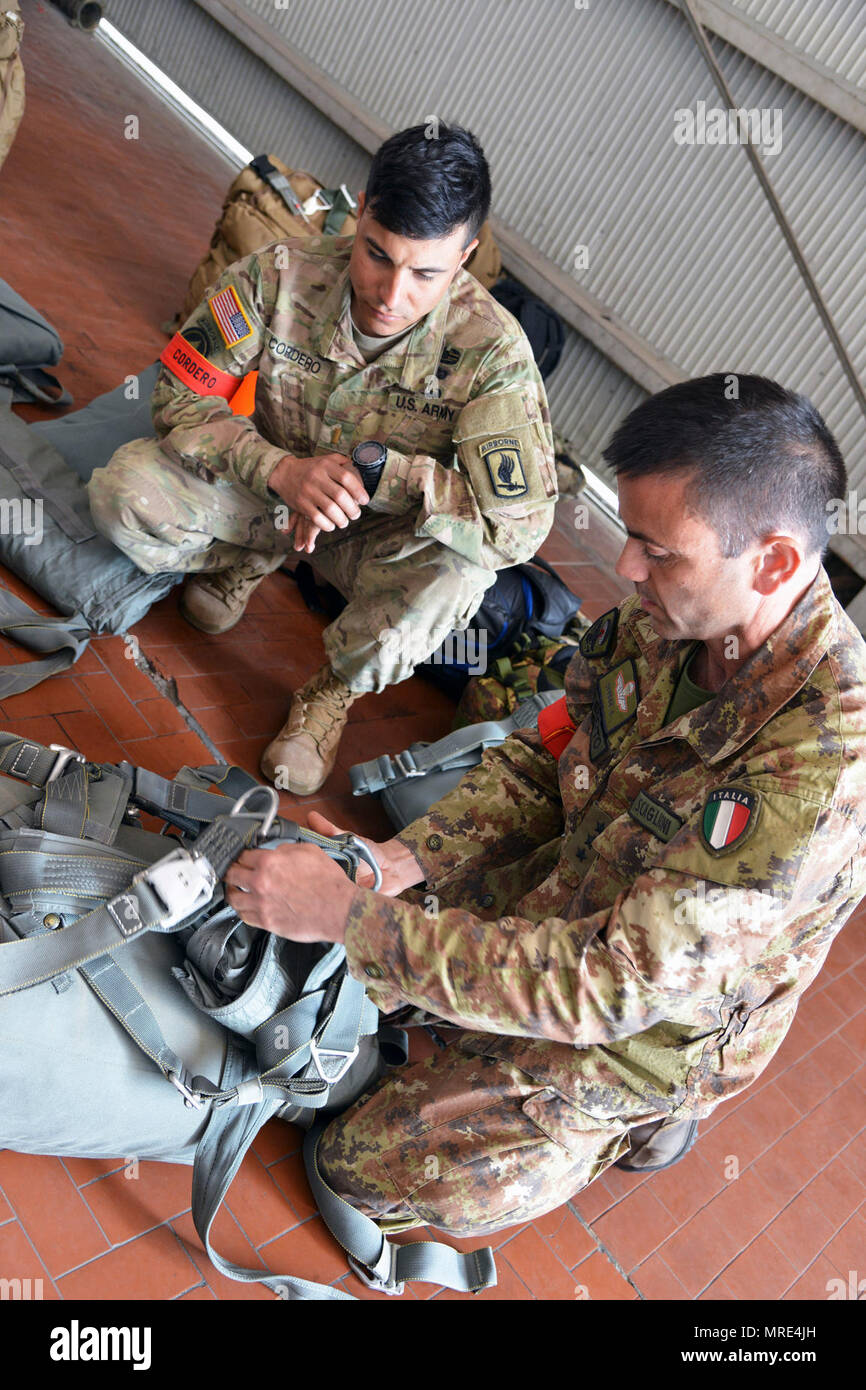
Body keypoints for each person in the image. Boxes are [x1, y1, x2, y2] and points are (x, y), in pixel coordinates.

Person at [222, 374, 866, 1240]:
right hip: (578, 887)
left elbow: (612, 988)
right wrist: (395, 865)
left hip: (647, 1017)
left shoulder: (821, 767)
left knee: (361, 1166)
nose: (627, 568)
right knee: (328, 976)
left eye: (658, 550)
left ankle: (644, 1117)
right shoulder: (669, 617)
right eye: (630, 538)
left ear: (775, 561)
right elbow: (541, 759)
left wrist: (351, 918)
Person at [87, 124, 557, 795]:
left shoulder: (493, 357)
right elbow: (180, 398)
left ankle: (330, 694)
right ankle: (249, 559)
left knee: (460, 573)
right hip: (267, 492)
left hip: (376, 538)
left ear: (467, 253)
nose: (392, 294)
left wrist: (378, 475)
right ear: (360, 210)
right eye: (377, 255)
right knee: (124, 493)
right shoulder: (278, 274)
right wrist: (278, 471)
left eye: (427, 272)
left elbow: (519, 528)